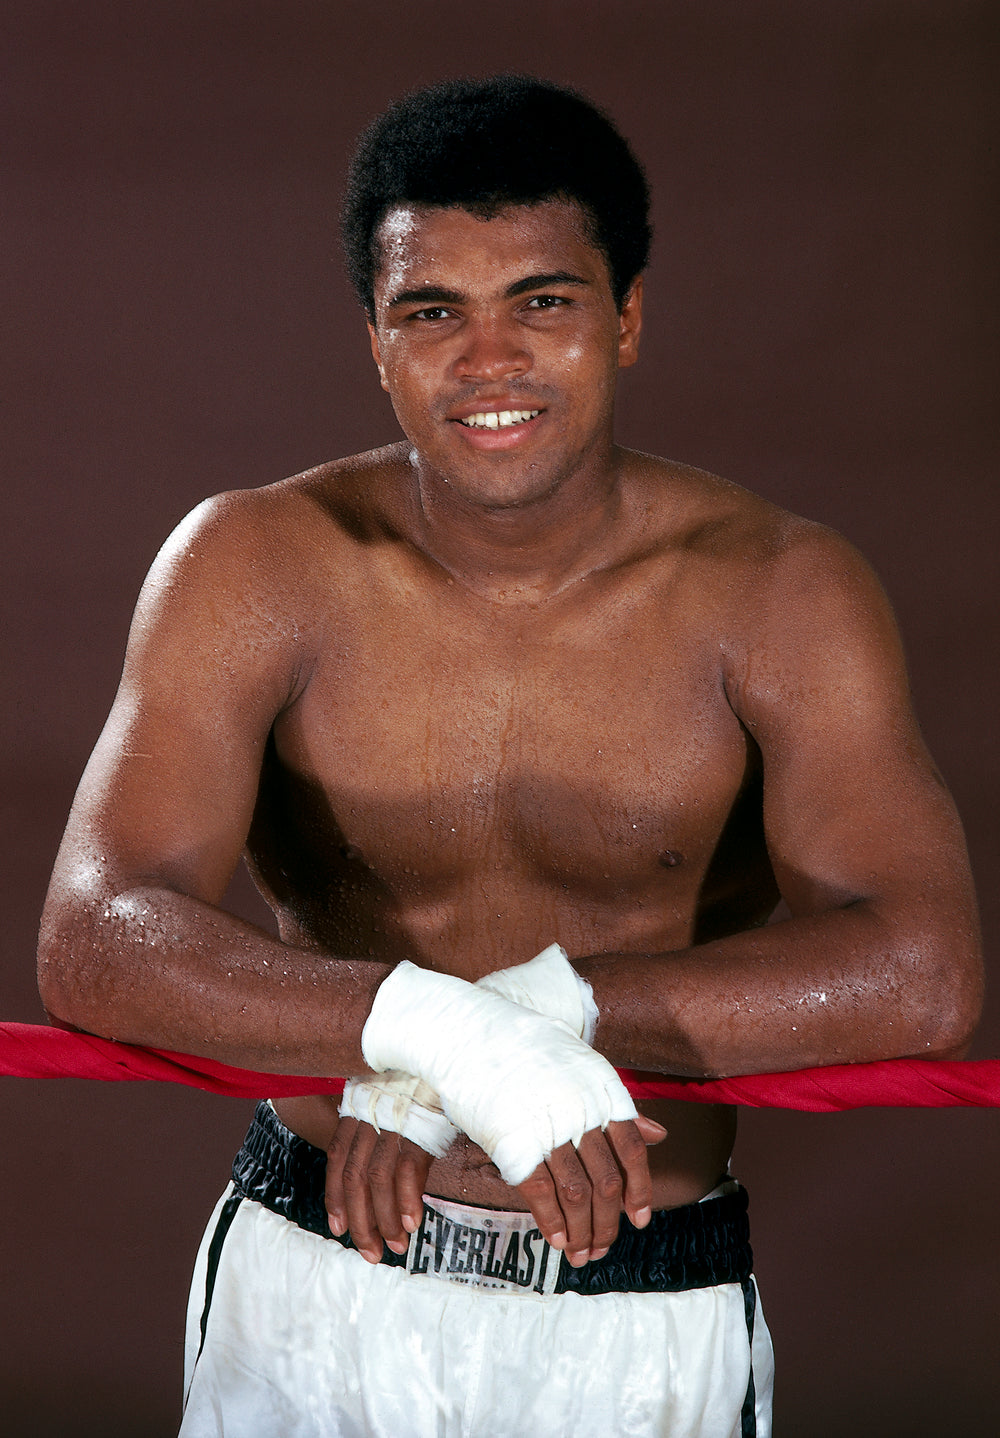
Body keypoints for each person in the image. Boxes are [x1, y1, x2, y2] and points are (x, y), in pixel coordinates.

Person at [36, 75, 982, 1438]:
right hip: (317, 1281)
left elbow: (924, 970)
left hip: (635, 1304)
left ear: (628, 319)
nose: (489, 359)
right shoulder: (252, 565)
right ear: (376, 340)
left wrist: (534, 1014)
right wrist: (437, 1033)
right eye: (433, 312)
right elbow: (92, 937)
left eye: (541, 301)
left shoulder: (780, 592)